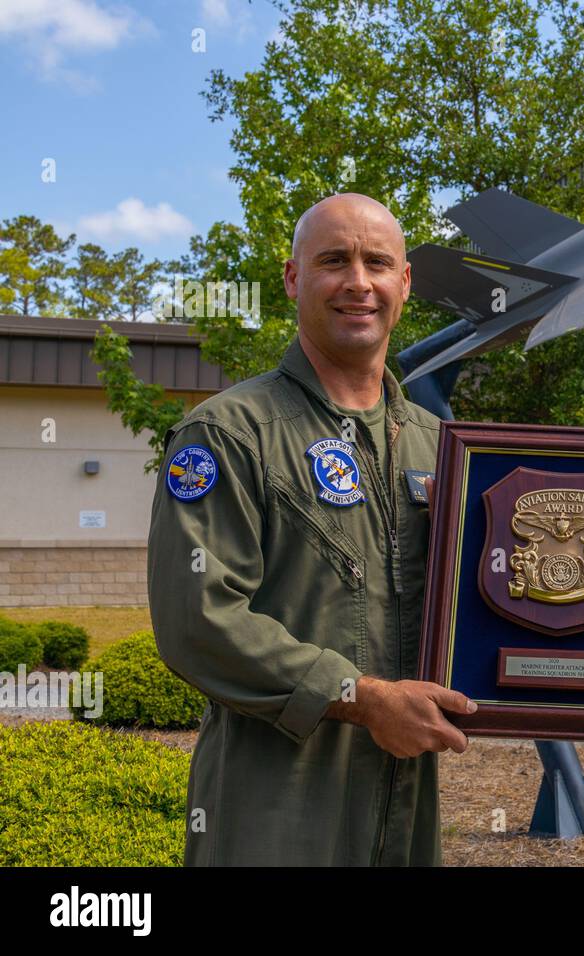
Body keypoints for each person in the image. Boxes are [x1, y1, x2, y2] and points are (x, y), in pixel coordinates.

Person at [147, 193, 476, 866]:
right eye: (334, 261)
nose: (359, 282)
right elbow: (197, 619)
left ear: (404, 283)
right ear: (295, 279)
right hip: (276, 807)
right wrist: (361, 697)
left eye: (378, 262)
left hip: (407, 805)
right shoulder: (230, 434)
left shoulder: (443, 447)